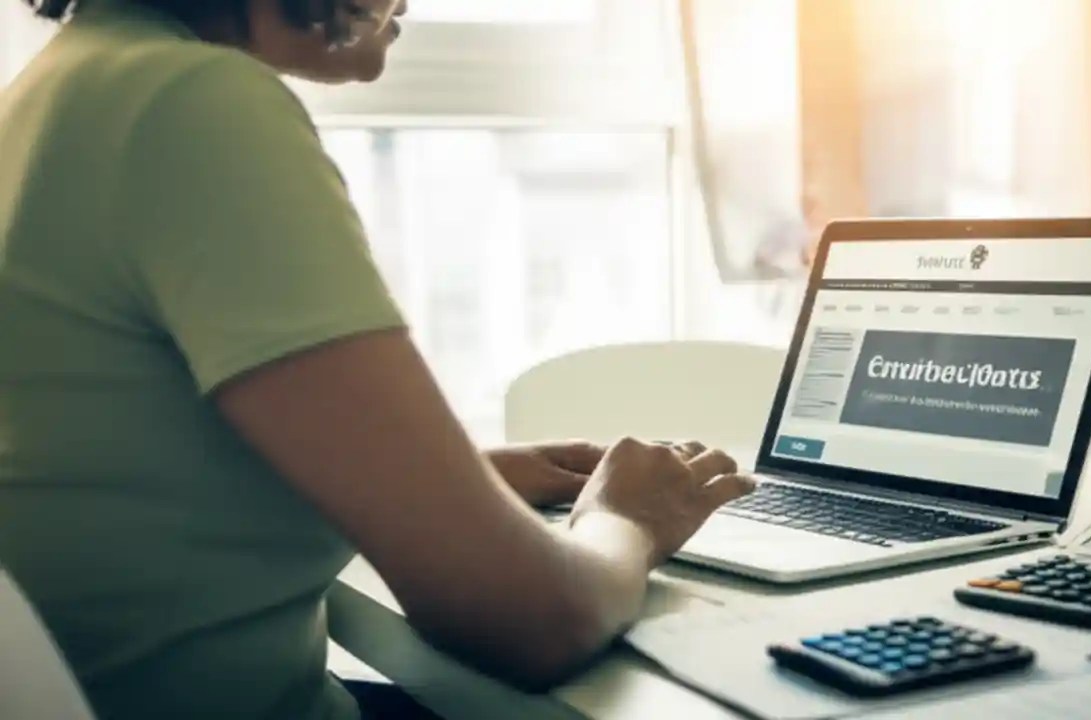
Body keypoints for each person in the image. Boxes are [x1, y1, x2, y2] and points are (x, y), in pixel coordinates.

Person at [0, 1, 756, 718]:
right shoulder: (188, 103)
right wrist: (627, 519)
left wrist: (456, 483)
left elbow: (129, 476)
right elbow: (530, 622)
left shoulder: (63, 84)